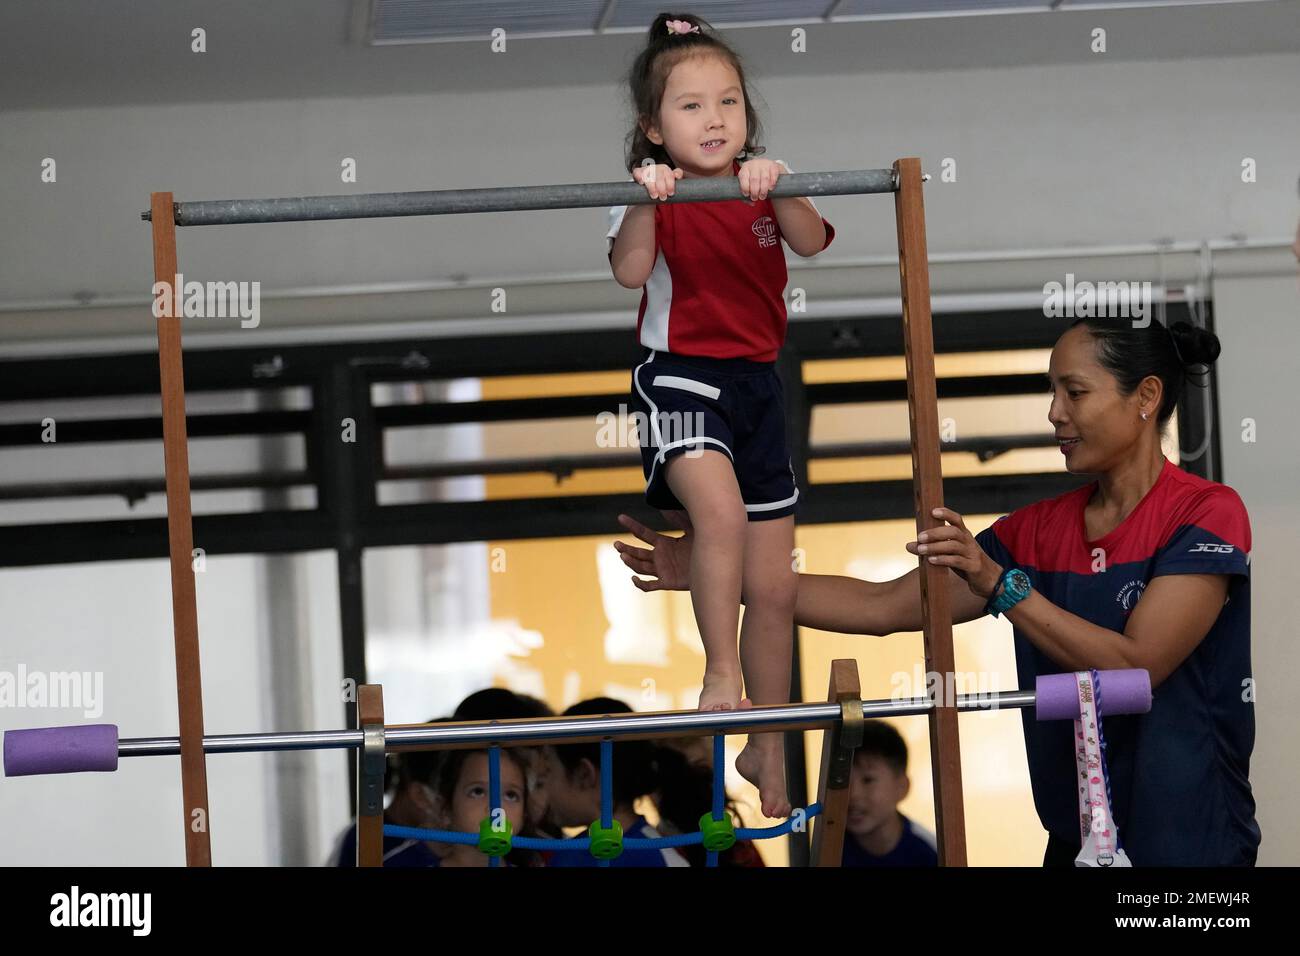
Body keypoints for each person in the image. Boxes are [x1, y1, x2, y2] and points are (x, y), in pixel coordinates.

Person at [614, 316, 1260, 866]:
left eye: (1075, 392)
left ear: (1145, 396)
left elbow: (1138, 667)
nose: (1054, 413)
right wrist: (719, 578)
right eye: (1051, 392)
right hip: (1079, 843)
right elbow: (882, 606)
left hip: (1192, 843)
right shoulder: (1035, 530)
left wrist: (1000, 588)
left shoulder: (1206, 513)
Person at [605, 11, 836, 819]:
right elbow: (630, 273)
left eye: (728, 103)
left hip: (758, 389)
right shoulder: (647, 193)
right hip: (679, 379)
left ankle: (767, 745)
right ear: (653, 129)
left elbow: (811, 241)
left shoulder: (763, 180)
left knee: (774, 586)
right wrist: (642, 199)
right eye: (691, 106)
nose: (714, 120)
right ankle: (718, 676)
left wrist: (784, 181)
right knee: (723, 517)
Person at [543, 697, 764, 867]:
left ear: (584, 774)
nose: (541, 790)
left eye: (547, 772)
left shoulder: (656, 854)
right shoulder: (661, 852)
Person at [842, 721, 937, 867]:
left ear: (902, 787)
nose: (853, 794)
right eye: (844, 780)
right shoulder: (829, 848)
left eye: (868, 780)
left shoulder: (929, 853)